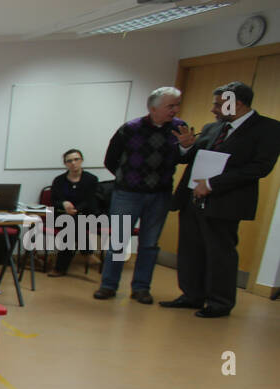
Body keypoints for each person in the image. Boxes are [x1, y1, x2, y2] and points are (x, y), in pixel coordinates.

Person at [164, 81, 280, 317]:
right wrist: (186, 148)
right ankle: (192, 295)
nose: (213, 109)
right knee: (190, 250)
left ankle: (219, 303)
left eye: (218, 104)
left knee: (219, 253)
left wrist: (212, 184)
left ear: (236, 103)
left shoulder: (269, 129)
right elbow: (192, 158)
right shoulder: (212, 128)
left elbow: (259, 168)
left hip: (226, 201)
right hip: (193, 198)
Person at [94, 87, 187, 303]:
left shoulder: (179, 129)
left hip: (160, 194)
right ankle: (108, 285)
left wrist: (186, 148)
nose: (175, 110)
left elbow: (185, 159)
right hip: (128, 194)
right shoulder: (130, 128)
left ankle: (141, 288)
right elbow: (111, 159)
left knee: (149, 243)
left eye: (177, 105)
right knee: (118, 241)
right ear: (153, 108)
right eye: (170, 106)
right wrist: (127, 179)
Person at [48, 148, 100, 277]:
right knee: (71, 223)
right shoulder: (59, 180)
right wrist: (63, 204)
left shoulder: (91, 179)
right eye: (69, 161)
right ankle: (87, 252)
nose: (73, 163)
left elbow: (90, 200)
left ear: (81, 160)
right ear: (65, 164)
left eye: (76, 159)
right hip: (62, 215)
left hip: (86, 214)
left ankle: (60, 268)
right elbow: (54, 200)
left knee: (73, 224)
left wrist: (76, 210)